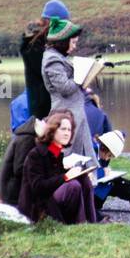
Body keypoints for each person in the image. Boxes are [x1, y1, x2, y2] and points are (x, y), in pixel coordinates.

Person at [16, 110, 102, 224]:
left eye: (69, 130)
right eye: (63, 129)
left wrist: (77, 174)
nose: (67, 133)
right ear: (52, 130)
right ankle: (79, 224)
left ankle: (92, 223)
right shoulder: (36, 154)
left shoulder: (57, 152)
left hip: (51, 199)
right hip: (36, 207)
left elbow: (56, 177)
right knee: (73, 186)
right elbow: (38, 187)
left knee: (84, 179)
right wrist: (66, 177)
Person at [40, 18, 95, 157]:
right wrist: (81, 75)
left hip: (74, 115)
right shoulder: (52, 60)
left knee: (82, 160)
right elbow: (65, 88)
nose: (75, 46)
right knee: (65, 157)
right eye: (73, 42)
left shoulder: (58, 56)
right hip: (65, 116)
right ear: (63, 41)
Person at [20, 0, 66, 120]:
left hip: (46, 106)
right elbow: (50, 73)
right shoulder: (34, 46)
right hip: (43, 109)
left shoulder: (41, 43)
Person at [0, 115, 44, 206]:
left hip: (4, 186)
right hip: (10, 192)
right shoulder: (27, 139)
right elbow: (19, 168)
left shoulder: (24, 135)